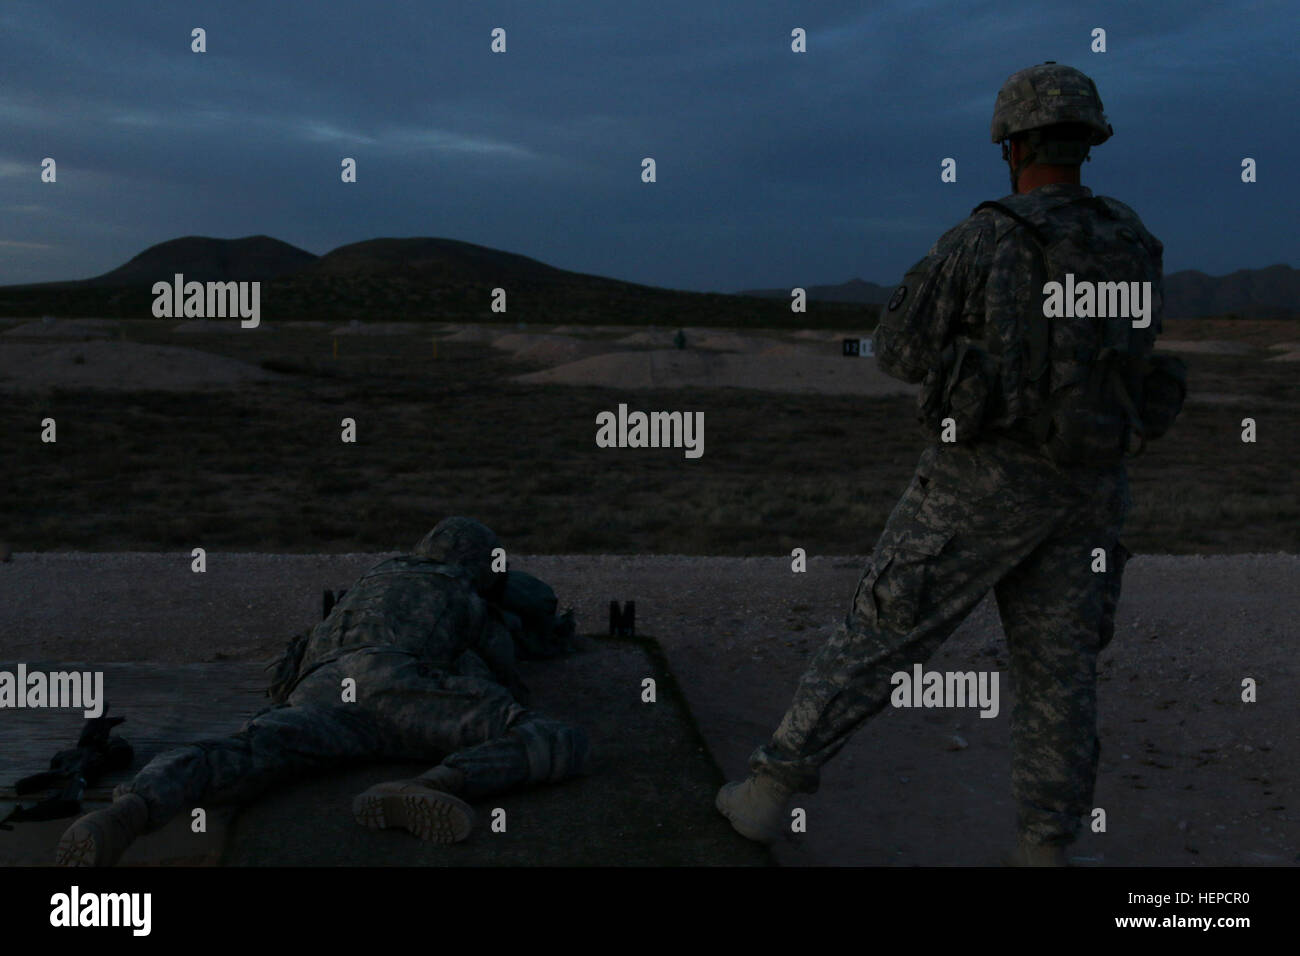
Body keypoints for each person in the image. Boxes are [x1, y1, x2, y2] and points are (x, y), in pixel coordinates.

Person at [716, 63, 1185, 865]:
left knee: (880, 634)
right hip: (1091, 488)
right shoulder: (1133, 239)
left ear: (1014, 144)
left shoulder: (987, 236)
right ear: (1087, 142)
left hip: (982, 483)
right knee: (1060, 678)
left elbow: (897, 351)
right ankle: (1046, 847)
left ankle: (768, 794)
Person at [55, 517, 589, 866]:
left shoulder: (372, 580)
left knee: (240, 754)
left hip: (322, 694)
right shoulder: (460, 591)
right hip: (401, 687)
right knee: (552, 738)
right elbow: (503, 672)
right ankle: (437, 783)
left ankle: (131, 811)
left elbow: (287, 670)